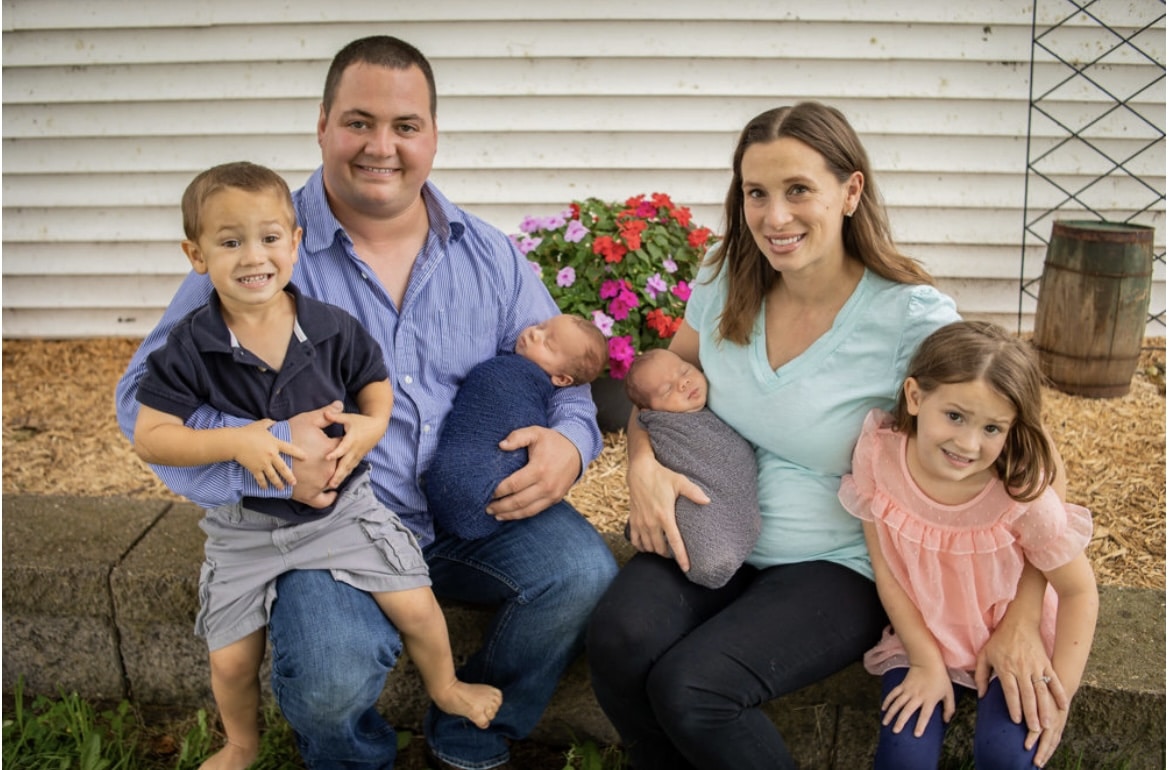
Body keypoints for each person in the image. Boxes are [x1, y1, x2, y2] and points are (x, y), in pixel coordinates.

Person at [115, 36, 618, 770]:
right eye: (359, 122)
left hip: (471, 509)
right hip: (331, 523)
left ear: (432, 136)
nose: (382, 146)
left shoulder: (487, 254)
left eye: (405, 126)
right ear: (323, 125)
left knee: (581, 573)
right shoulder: (257, 248)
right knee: (328, 676)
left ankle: (472, 726)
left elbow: (566, 376)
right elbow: (141, 403)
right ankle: (354, 759)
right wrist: (267, 450)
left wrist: (569, 444)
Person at [586, 102, 1065, 770]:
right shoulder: (725, 277)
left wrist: (1023, 615)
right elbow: (660, 389)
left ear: (850, 191)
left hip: (839, 562)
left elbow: (1034, 459)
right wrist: (641, 464)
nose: (774, 217)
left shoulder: (908, 316)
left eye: (798, 190)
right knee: (616, 639)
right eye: (756, 193)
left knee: (693, 687)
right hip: (712, 526)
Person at [131, 161, 503, 769]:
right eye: (230, 242)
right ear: (196, 255)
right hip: (245, 527)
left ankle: (447, 686)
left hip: (341, 512)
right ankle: (241, 743)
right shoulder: (190, 348)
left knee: (414, 601)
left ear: (296, 242)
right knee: (230, 658)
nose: (254, 256)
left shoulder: (327, 327)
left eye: (269, 237)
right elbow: (151, 437)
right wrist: (237, 441)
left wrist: (372, 425)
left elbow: (375, 382)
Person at [839, 321, 1098, 770]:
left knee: (1007, 755)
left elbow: (1079, 590)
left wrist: (1062, 695)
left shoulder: (1020, 498)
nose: (968, 443)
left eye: (992, 428)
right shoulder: (879, 458)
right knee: (903, 757)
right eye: (955, 416)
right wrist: (924, 660)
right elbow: (888, 572)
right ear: (915, 397)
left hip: (1010, 639)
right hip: (925, 636)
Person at [425, 313, 607, 540]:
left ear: (561, 379)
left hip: (492, 499)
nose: (534, 333)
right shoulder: (512, 366)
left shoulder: (530, 384)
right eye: (540, 326)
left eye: (548, 344)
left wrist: (570, 442)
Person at [621, 347, 760, 588]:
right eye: (667, 389)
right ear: (650, 410)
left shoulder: (712, 412)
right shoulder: (663, 426)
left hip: (736, 505)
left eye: (685, 370)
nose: (683, 383)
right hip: (695, 501)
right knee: (703, 545)